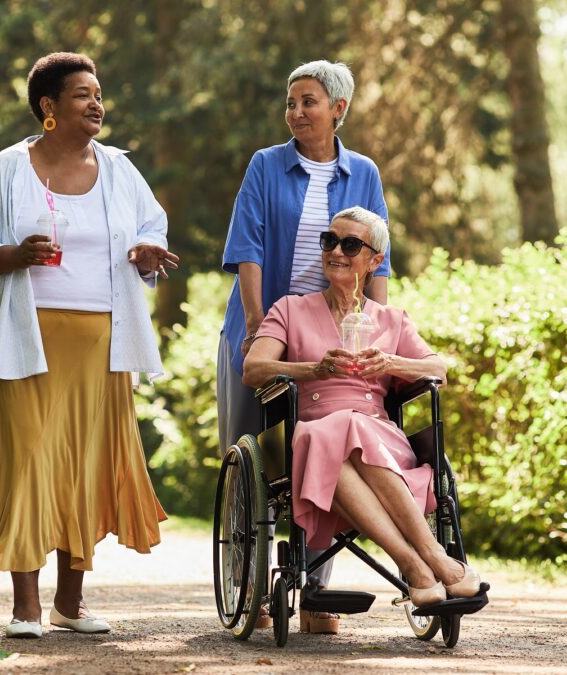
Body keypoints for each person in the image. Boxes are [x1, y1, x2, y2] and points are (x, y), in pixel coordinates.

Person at [0, 52, 180, 639]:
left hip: (102, 345)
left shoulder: (120, 170)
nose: (97, 104)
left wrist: (149, 251)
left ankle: (69, 605)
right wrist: (12, 256)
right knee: (28, 463)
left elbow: (152, 224)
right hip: (26, 344)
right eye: (82, 94)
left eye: (99, 93)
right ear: (48, 107)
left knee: (84, 466)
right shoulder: (5, 170)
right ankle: (25, 607)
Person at [217, 59, 390, 633]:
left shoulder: (362, 172)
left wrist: (381, 328)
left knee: (331, 446)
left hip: (334, 335)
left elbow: (377, 256)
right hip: (266, 326)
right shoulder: (266, 166)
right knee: (254, 455)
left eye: (308, 102)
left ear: (338, 109)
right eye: (291, 103)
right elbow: (249, 247)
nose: (296, 113)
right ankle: (250, 588)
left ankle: (316, 591)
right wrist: (253, 329)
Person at [242, 207, 482, 615]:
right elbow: (254, 369)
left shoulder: (391, 320)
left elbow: (437, 369)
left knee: (350, 428)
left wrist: (390, 362)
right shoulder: (290, 309)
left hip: (377, 439)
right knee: (327, 434)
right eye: (329, 241)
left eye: (350, 244)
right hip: (311, 431)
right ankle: (426, 561)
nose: (336, 250)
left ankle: (420, 566)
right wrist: (313, 369)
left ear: (374, 260)